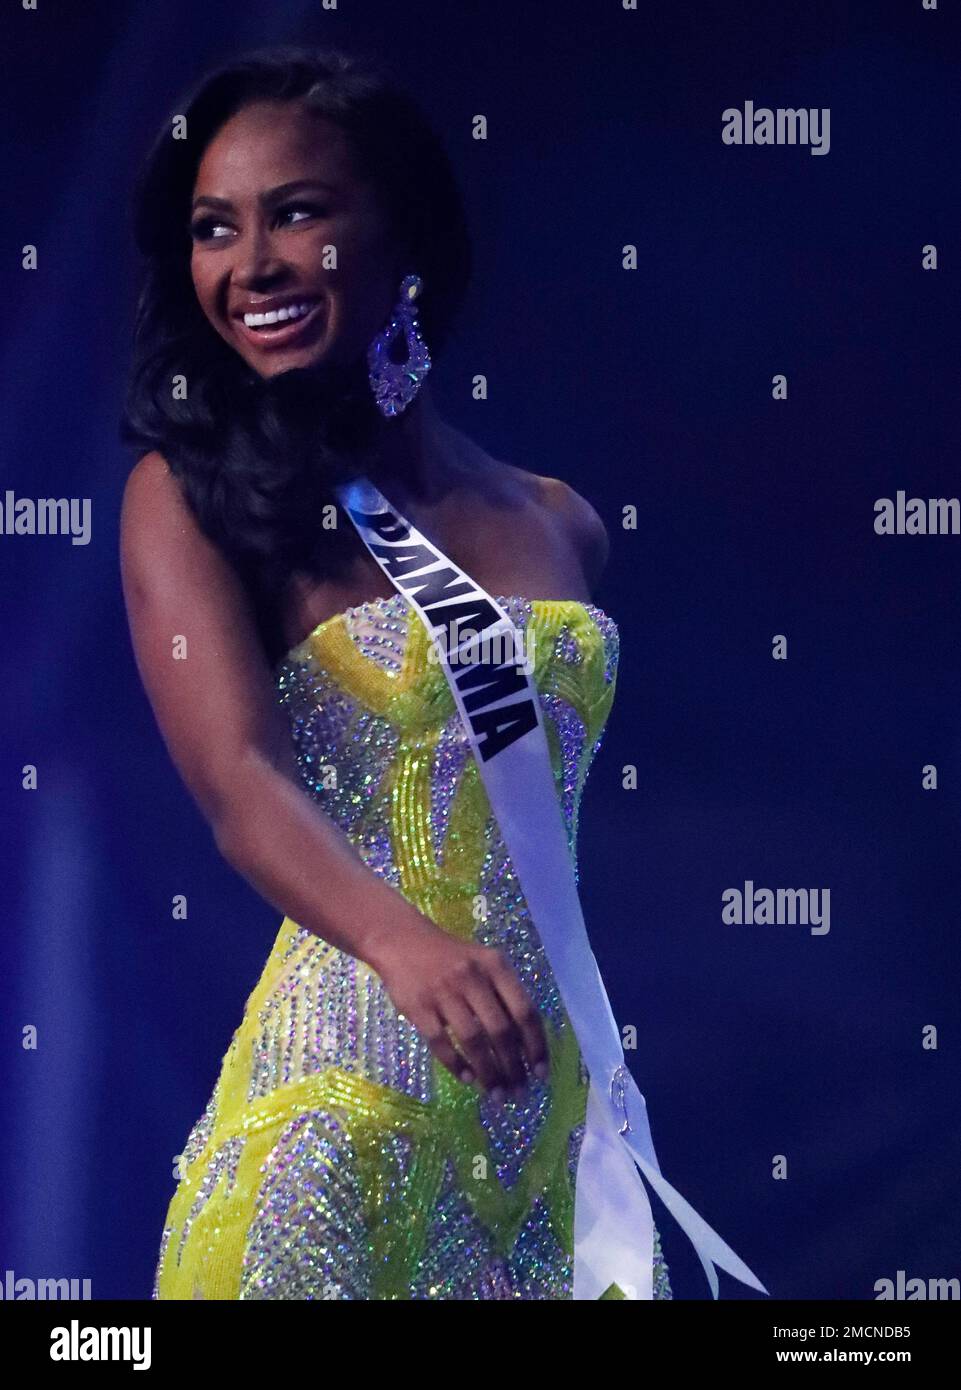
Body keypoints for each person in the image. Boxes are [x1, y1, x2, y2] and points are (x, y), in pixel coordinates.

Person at [120, 43, 673, 1300]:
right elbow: (238, 781)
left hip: (538, 1142)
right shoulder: (193, 497)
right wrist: (401, 944)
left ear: (403, 232)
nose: (249, 263)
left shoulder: (556, 518)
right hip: (332, 1121)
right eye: (214, 228)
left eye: (296, 213)